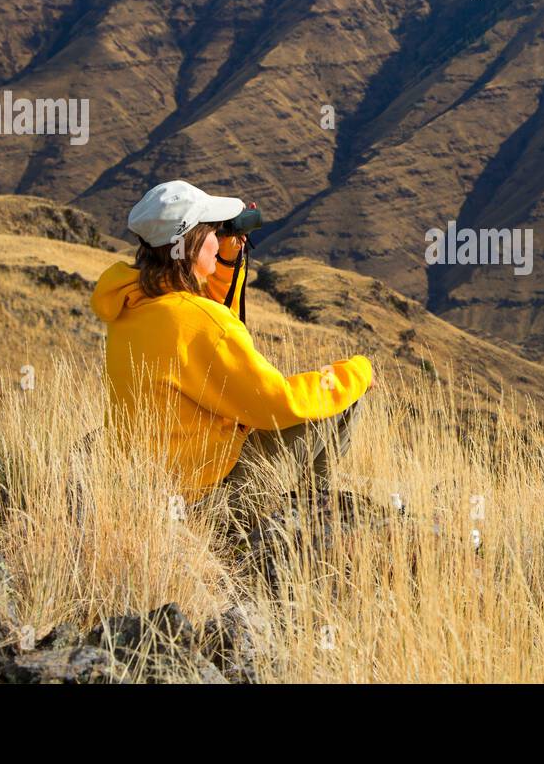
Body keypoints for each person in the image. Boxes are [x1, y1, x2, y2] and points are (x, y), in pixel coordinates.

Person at [90, 180, 374, 517]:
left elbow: (203, 321)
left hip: (153, 483)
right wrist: (356, 371)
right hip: (206, 495)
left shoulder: (133, 306)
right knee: (342, 398)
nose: (219, 239)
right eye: (213, 231)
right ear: (191, 243)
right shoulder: (200, 321)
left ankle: (304, 509)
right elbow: (277, 402)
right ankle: (310, 512)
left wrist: (224, 264)